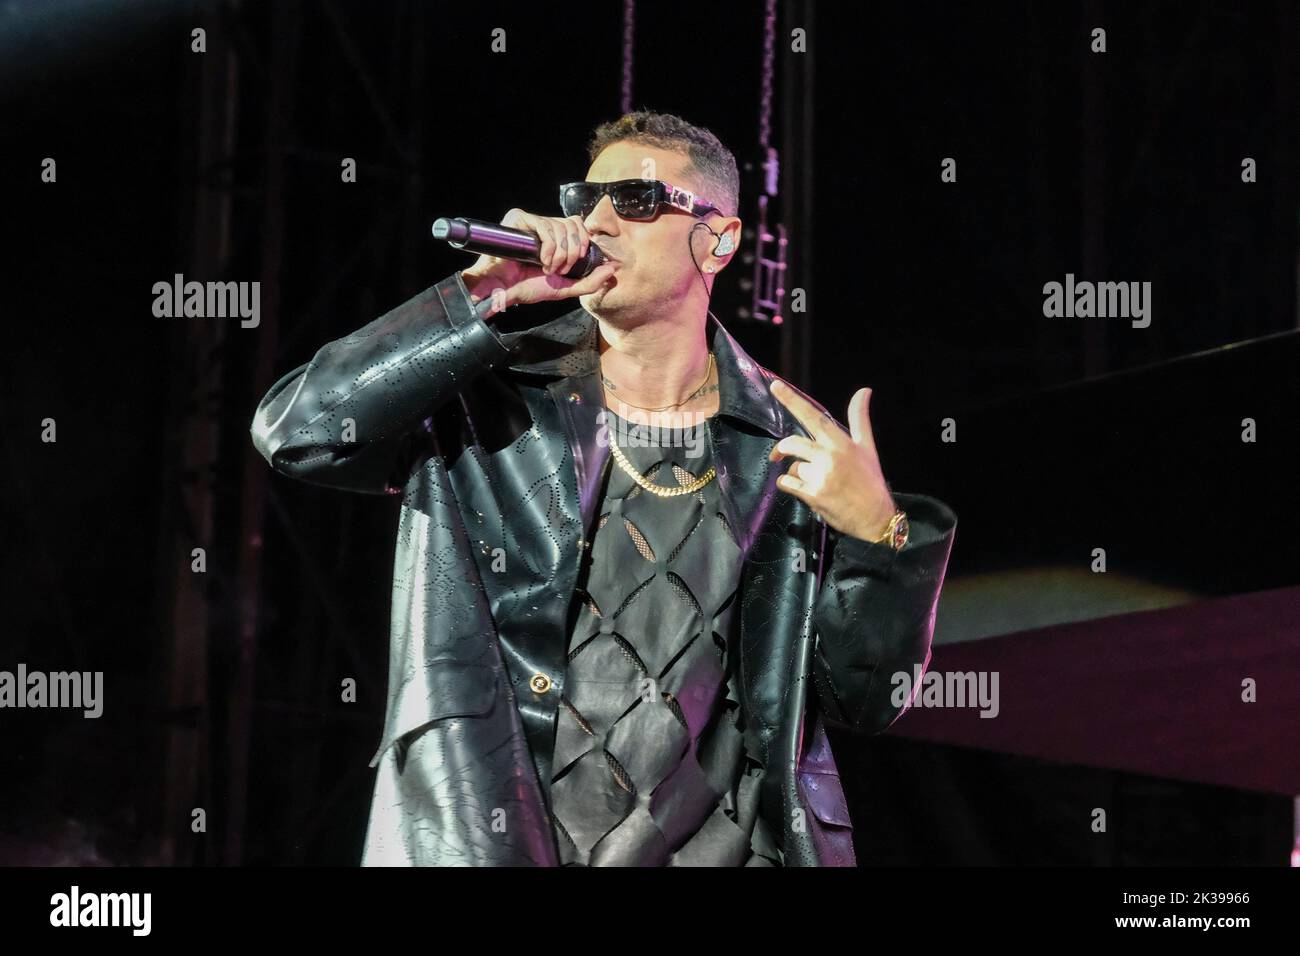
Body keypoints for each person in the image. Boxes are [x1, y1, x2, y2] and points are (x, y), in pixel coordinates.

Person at [250, 110, 956, 866]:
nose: (600, 220)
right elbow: (298, 433)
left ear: (719, 241)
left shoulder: (790, 442)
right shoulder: (489, 401)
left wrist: (880, 537)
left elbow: (864, 700)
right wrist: (472, 299)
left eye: (641, 201)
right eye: (587, 199)